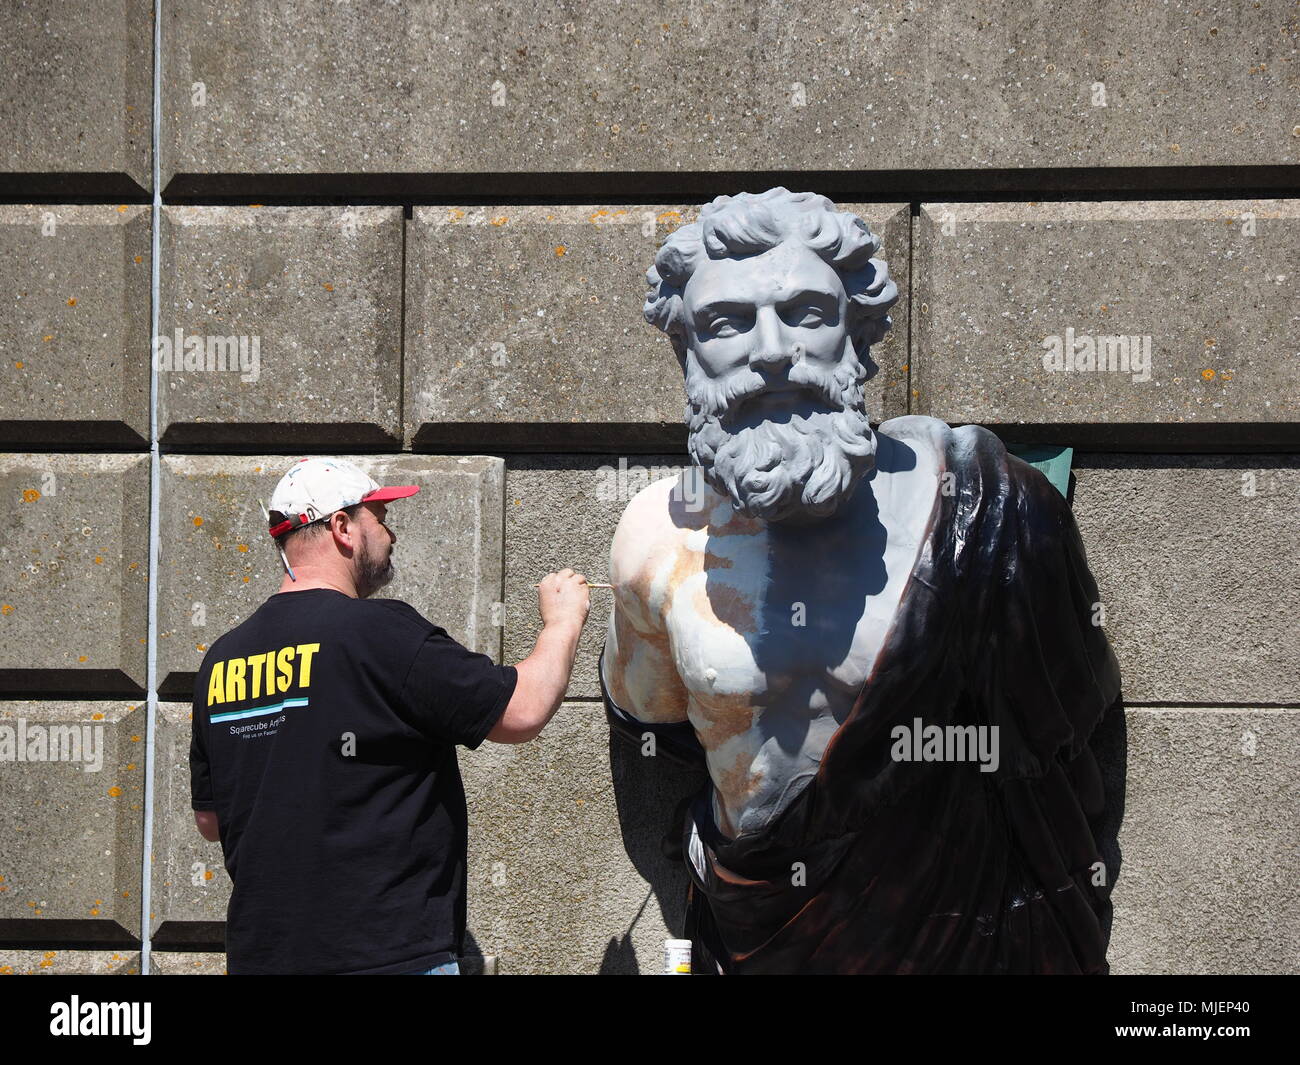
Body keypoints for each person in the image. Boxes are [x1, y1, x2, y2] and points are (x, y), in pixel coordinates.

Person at [601, 187, 1120, 973]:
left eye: (807, 313)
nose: (772, 350)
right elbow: (655, 725)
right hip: (765, 927)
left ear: (861, 335)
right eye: (726, 322)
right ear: (687, 354)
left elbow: (1077, 739)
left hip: (971, 938)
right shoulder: (654, 534)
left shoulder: (986, 509)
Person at [190, 456, 590, 975]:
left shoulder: (221, 659)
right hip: (385, 958)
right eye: (379, 518)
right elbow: (523, 709)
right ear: (342, 527)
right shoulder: (377, 632)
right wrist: (561, 623)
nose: (390, 534)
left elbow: (210, 820)